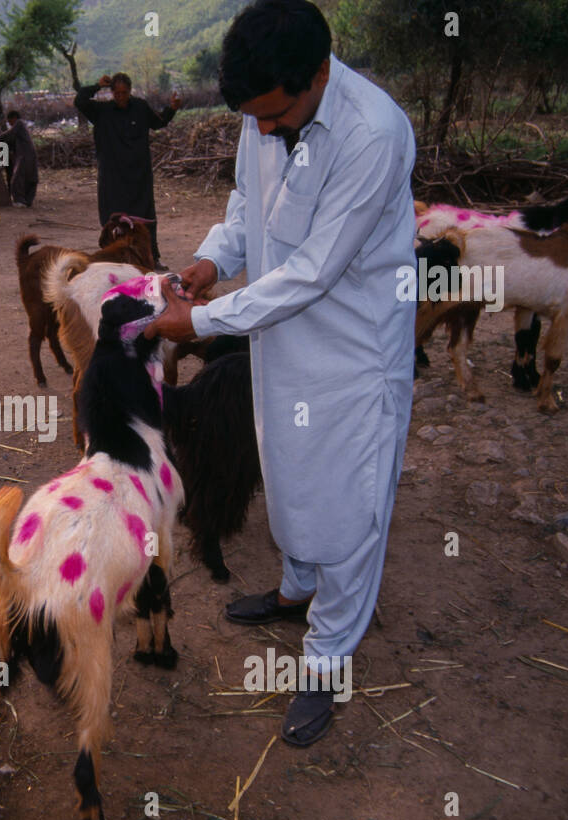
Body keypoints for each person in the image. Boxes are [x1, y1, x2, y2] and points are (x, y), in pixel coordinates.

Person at [144, 0, 416, 747]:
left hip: (354, 356)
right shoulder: (265, 104)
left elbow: (312, 271)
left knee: (351, 507)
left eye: (274, 116)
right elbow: (246, 205)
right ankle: (298, 589)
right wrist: (212, 259)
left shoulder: (373, 134)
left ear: (320, 74)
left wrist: (196, 321)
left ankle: (327, 662)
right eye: (252, 117)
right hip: (282, 345)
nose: (263, 130)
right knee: (290, 472)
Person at [74, 73, 181, 270]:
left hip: (139, 173)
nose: (121, 97)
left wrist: (172, 109)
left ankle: (152, 258)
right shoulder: (101, 111)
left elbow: (158, 122)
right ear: (112, 92)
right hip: (112, 175)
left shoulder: (140, 107)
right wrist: (97, 86)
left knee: (146, 217)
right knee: (113, 219)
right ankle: (113, 259)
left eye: (124, 93)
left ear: (130, 91)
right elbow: (80, 100)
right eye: (117, 93)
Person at [0, 109, 37, 207]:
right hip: (28, 155)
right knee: (30, 178)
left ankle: (20, 201)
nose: (10, 124)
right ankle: (27, 201)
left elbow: (9, 134)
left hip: (24, 155)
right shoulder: (21, 127)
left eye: (10, 121)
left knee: (17, 179)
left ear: (14, 118)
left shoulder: (19, 124)